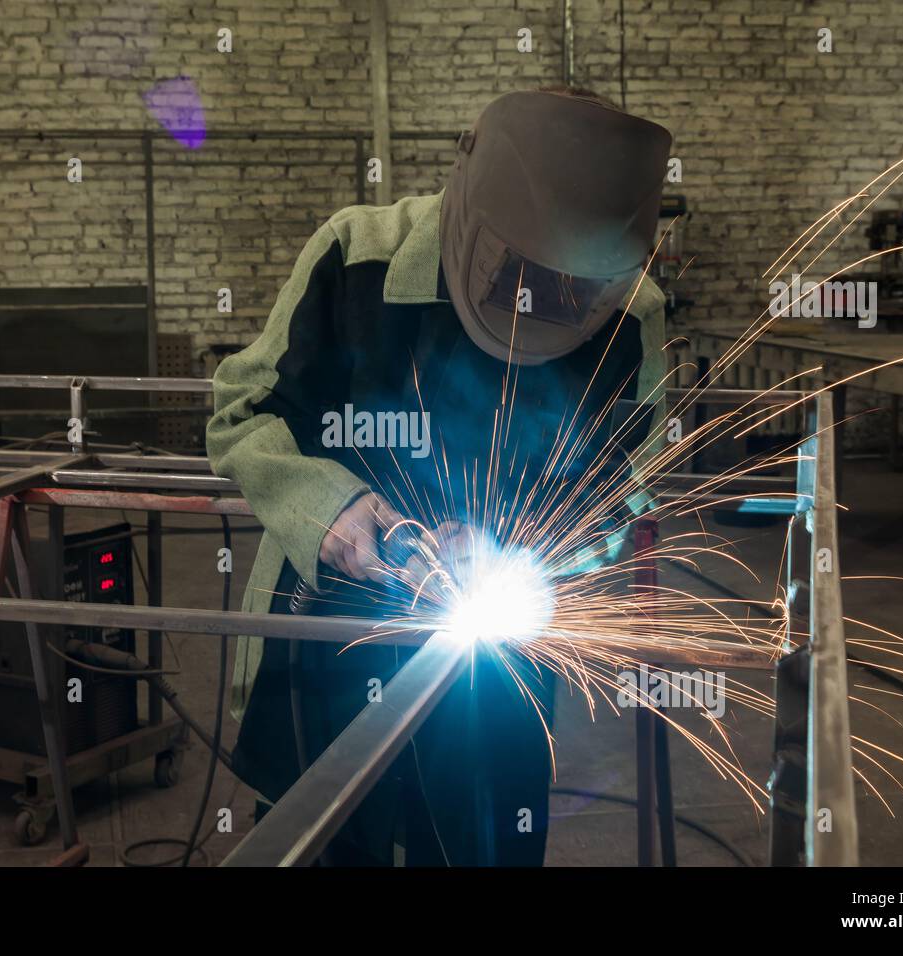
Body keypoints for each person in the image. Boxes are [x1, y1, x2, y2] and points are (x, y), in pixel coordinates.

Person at [207, 86, 672, 865]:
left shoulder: (630, 316)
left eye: (571, 289)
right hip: (327, 642)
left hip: (493, 671)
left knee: (479, 843)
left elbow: (622, 489)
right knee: (316, 845)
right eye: (520, 273)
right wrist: (332, 510)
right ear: (468, 193)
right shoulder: (354, 256)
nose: (540, 303)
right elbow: (244, 412)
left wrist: (521, 558)